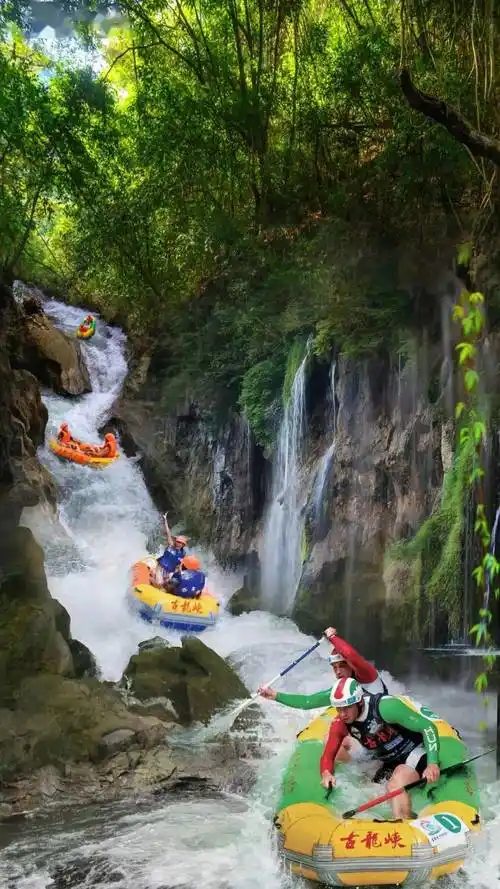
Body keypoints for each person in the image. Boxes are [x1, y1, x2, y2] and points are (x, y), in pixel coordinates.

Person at [320, 677, 443, 819]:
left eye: (346, 707)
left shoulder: (386, 707)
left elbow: (428, 727)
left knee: (396, 784)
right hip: (388, 761)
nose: (342, 714)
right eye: (339, 708)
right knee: (369, 790)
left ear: (359, 702)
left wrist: (433, 763)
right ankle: (404, 813)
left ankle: (404, 827)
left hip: (414, 753)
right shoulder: (340, 723)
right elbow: (328, 756)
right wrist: (326, 773)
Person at [257, 629, 387, 762]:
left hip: (388, 732)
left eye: (342, 666)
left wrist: (332, 637)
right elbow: (307, 702)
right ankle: (361, 775)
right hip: (369, 740)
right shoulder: (341, 691)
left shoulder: (368, 675)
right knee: (330, 742)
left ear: (351, 666)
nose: (338, 671)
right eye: (334, 667)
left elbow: (350, 654)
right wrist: (274, 695)